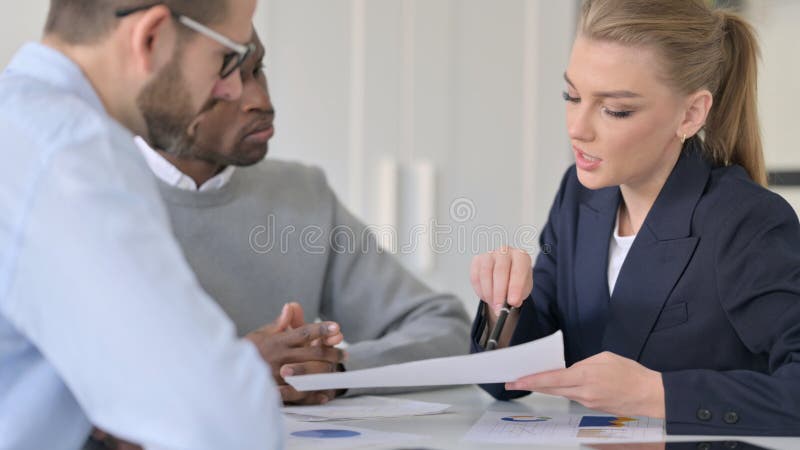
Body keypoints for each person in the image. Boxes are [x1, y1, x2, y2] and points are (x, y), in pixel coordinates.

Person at [470, 0, 800, 436]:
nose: (577, 127)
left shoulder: (747, 221)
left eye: (615, 110)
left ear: (690, 114)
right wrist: (504, 308)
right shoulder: (580, 197)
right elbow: (509, 380)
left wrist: (657, 393)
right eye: (572, 96)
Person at [0, 1, 300, 448]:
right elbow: (223, 420)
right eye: (226, 60)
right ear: (152, 37)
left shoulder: (18, 120)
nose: (234, 90)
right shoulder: (76, 150)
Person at [133, 32, 472, 405]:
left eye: (257, 69)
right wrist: (238, 367)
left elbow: (448, 330)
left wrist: (333, 370)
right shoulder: (93, 199)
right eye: (225, 78)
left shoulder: (303, 194)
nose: (261, 101)